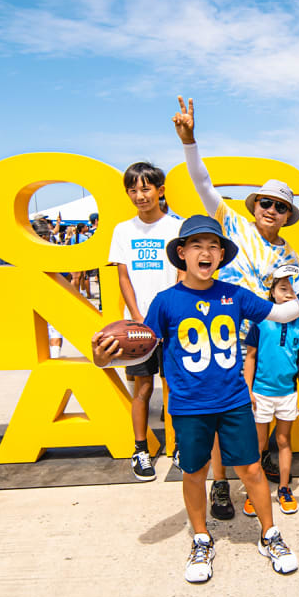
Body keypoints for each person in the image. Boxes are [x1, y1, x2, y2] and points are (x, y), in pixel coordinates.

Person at [92, 215, 299, 583]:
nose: (205, 252)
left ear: (221, 255)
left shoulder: (234, 294)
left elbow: (282, 312)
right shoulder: (165, 301)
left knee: (251, 469)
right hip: (189, 405)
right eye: (196, 245)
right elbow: (145, 351)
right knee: (194, 472)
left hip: (234, 399)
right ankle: (202, 538)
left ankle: (269, 534)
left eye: (212, 246)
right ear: (182, 253)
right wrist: (103, 356)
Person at [175, 96, 299, 521]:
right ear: (255, 206)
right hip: (220, 331)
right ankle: (220, 485)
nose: (271, 210)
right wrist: (190, 142)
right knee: (213, 416)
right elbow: (202, 183)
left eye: (280, 206)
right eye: (265, 202)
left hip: (262, 337)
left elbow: (291, 305)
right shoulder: (232, 225)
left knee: (249, 418)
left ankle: (252, 478)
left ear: (288, 216)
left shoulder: (290, 254)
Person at [107, 160, 183, 482]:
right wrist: (139, 319)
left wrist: (169, 316)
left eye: (146, 188)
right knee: (142, 387)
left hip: (174, 323)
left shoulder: (177, 228)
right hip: (138, 328)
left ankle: (180, 446)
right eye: (133, 190)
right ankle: (140, 449)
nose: (140, 195)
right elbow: (123, 277)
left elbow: (183, 273)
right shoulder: (123, 230)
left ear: (160, 190)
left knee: (176, 387)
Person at [241, 267, 299, 517]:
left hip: (288, 393)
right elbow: (250, 357)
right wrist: (247, 390)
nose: (288, 294)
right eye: (282, 288)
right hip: (261, 393)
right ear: (272, 292)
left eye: (293, 289)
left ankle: (284, 488)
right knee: (258, 443)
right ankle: (253, 492)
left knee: (283, 441)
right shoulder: (261, 321)